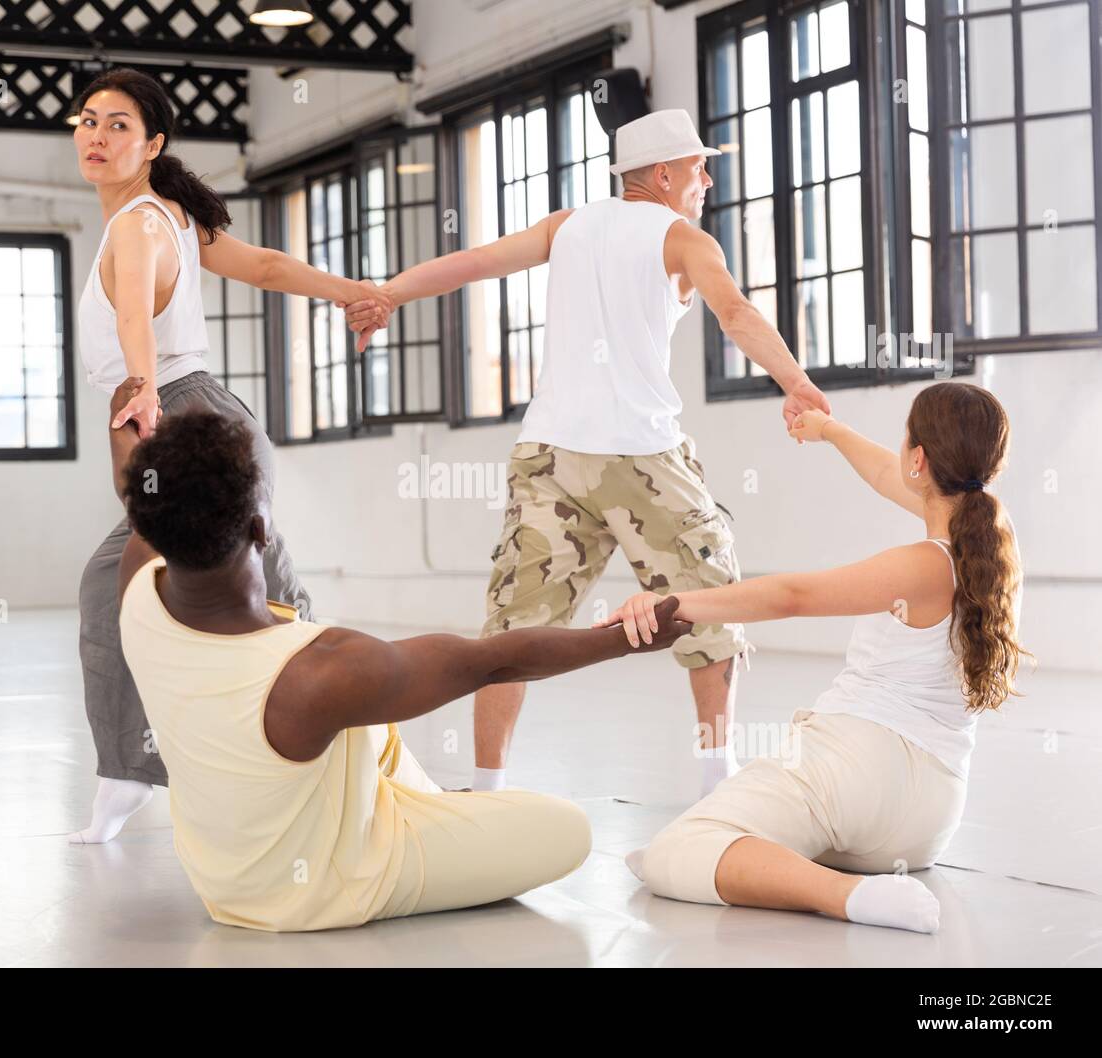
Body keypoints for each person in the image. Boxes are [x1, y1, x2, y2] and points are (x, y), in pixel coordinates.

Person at [344, 108, 831, 796]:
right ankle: (716, 785)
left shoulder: (566, 225)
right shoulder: (685, 240)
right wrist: (798, 382)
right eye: (698, 168)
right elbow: (738, 315)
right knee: (712, 604)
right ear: (664, 175)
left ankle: (487, 793)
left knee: (513, 630)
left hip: (549, 456)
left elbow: (473, 263)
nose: (707, 180)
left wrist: (388, 293)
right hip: (643, 456)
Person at [102, 378, 694, 931]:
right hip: (323, 886)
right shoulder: (315, 670)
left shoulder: (138, 586)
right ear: (261, 530)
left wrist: (122, 425)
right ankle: (434, 818)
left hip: (221, 877)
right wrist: (621, 638)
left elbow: (140, 493)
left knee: (376, 736)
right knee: (568, 829)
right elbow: (492, 660)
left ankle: (437, 808)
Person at [69, 67, 391, 844]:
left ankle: (351, 714)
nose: (97, 136)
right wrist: (347, 289)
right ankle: (131, 770)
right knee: (168, 583)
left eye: (118, 125)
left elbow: (137, 311)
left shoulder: (142, 226)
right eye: (87, 120)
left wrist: (141, 387)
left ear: (153, 144)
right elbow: (270, 268)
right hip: (192, 415)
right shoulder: (170, 215)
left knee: (256, 586)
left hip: (183, 415)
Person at [602, 382, 1029, 933]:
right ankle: (826, 874)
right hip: (927, 822)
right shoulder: (995, 542)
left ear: (919, 460)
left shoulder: (921, 565)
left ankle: (843, 894)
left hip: (854, 771)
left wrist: (676, 603)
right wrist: (830, 430)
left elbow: (791, 596)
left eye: (904, 442)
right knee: (769, 836)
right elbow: (885, 474)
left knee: (673, 851)